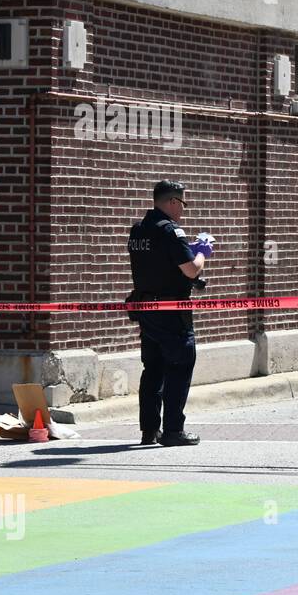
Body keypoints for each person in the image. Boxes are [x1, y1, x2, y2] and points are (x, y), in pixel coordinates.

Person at [127, 180, 213, 447]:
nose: (183, 211)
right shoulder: (169, 231)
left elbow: (156, 268)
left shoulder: (138, 230)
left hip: (147, 310)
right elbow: (190, 269)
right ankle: (174, 429)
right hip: (171, 312)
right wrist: (203, 251)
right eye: (182, 204)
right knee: (179, 365)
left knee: (152, 369)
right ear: (173, 201)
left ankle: (149, 430)